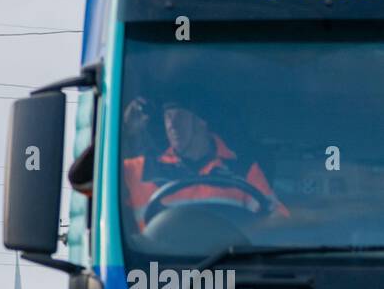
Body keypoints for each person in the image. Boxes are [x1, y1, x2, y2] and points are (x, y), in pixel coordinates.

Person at [122, 97, 287, 230]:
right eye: (167, 117)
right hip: (151, 268)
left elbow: (276, 220)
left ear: (202, 121)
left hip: (231, 268)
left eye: (180, 116)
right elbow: (100, 181)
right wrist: (124, 131)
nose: (172, 125)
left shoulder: (243, 170)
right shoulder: (141, 169)